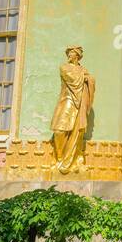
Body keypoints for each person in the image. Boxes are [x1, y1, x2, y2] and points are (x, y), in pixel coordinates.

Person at [52, 45, 95, 174]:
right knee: (59, 130)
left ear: (77, 55)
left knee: (78, 132)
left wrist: (89, 79)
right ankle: (59, 158)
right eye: (68, 53)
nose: (69, 55)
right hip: (67, 101)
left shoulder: (83, 69)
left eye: (71, 53)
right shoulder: (64, 67)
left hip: (80, 103)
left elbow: (91, 80)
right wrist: (84, 78)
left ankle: (74, 159)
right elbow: (72, 80)